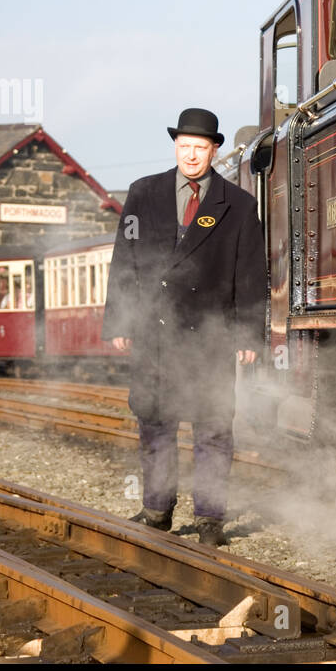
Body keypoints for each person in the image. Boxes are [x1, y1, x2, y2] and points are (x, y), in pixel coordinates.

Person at [101, 108, 267, 547]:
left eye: (200, 148)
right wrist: (120, 319)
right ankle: (157, 511)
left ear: (213, 150)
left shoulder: (239, 205)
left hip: (210, 335)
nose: (191, 155)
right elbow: (125, 261)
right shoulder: (142, 194)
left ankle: (210, 519)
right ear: (175, 147)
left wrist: (249, 334)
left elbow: (250, 273)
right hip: (155, 334)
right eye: (184, 147)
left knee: (213, 428)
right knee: (155, 424)